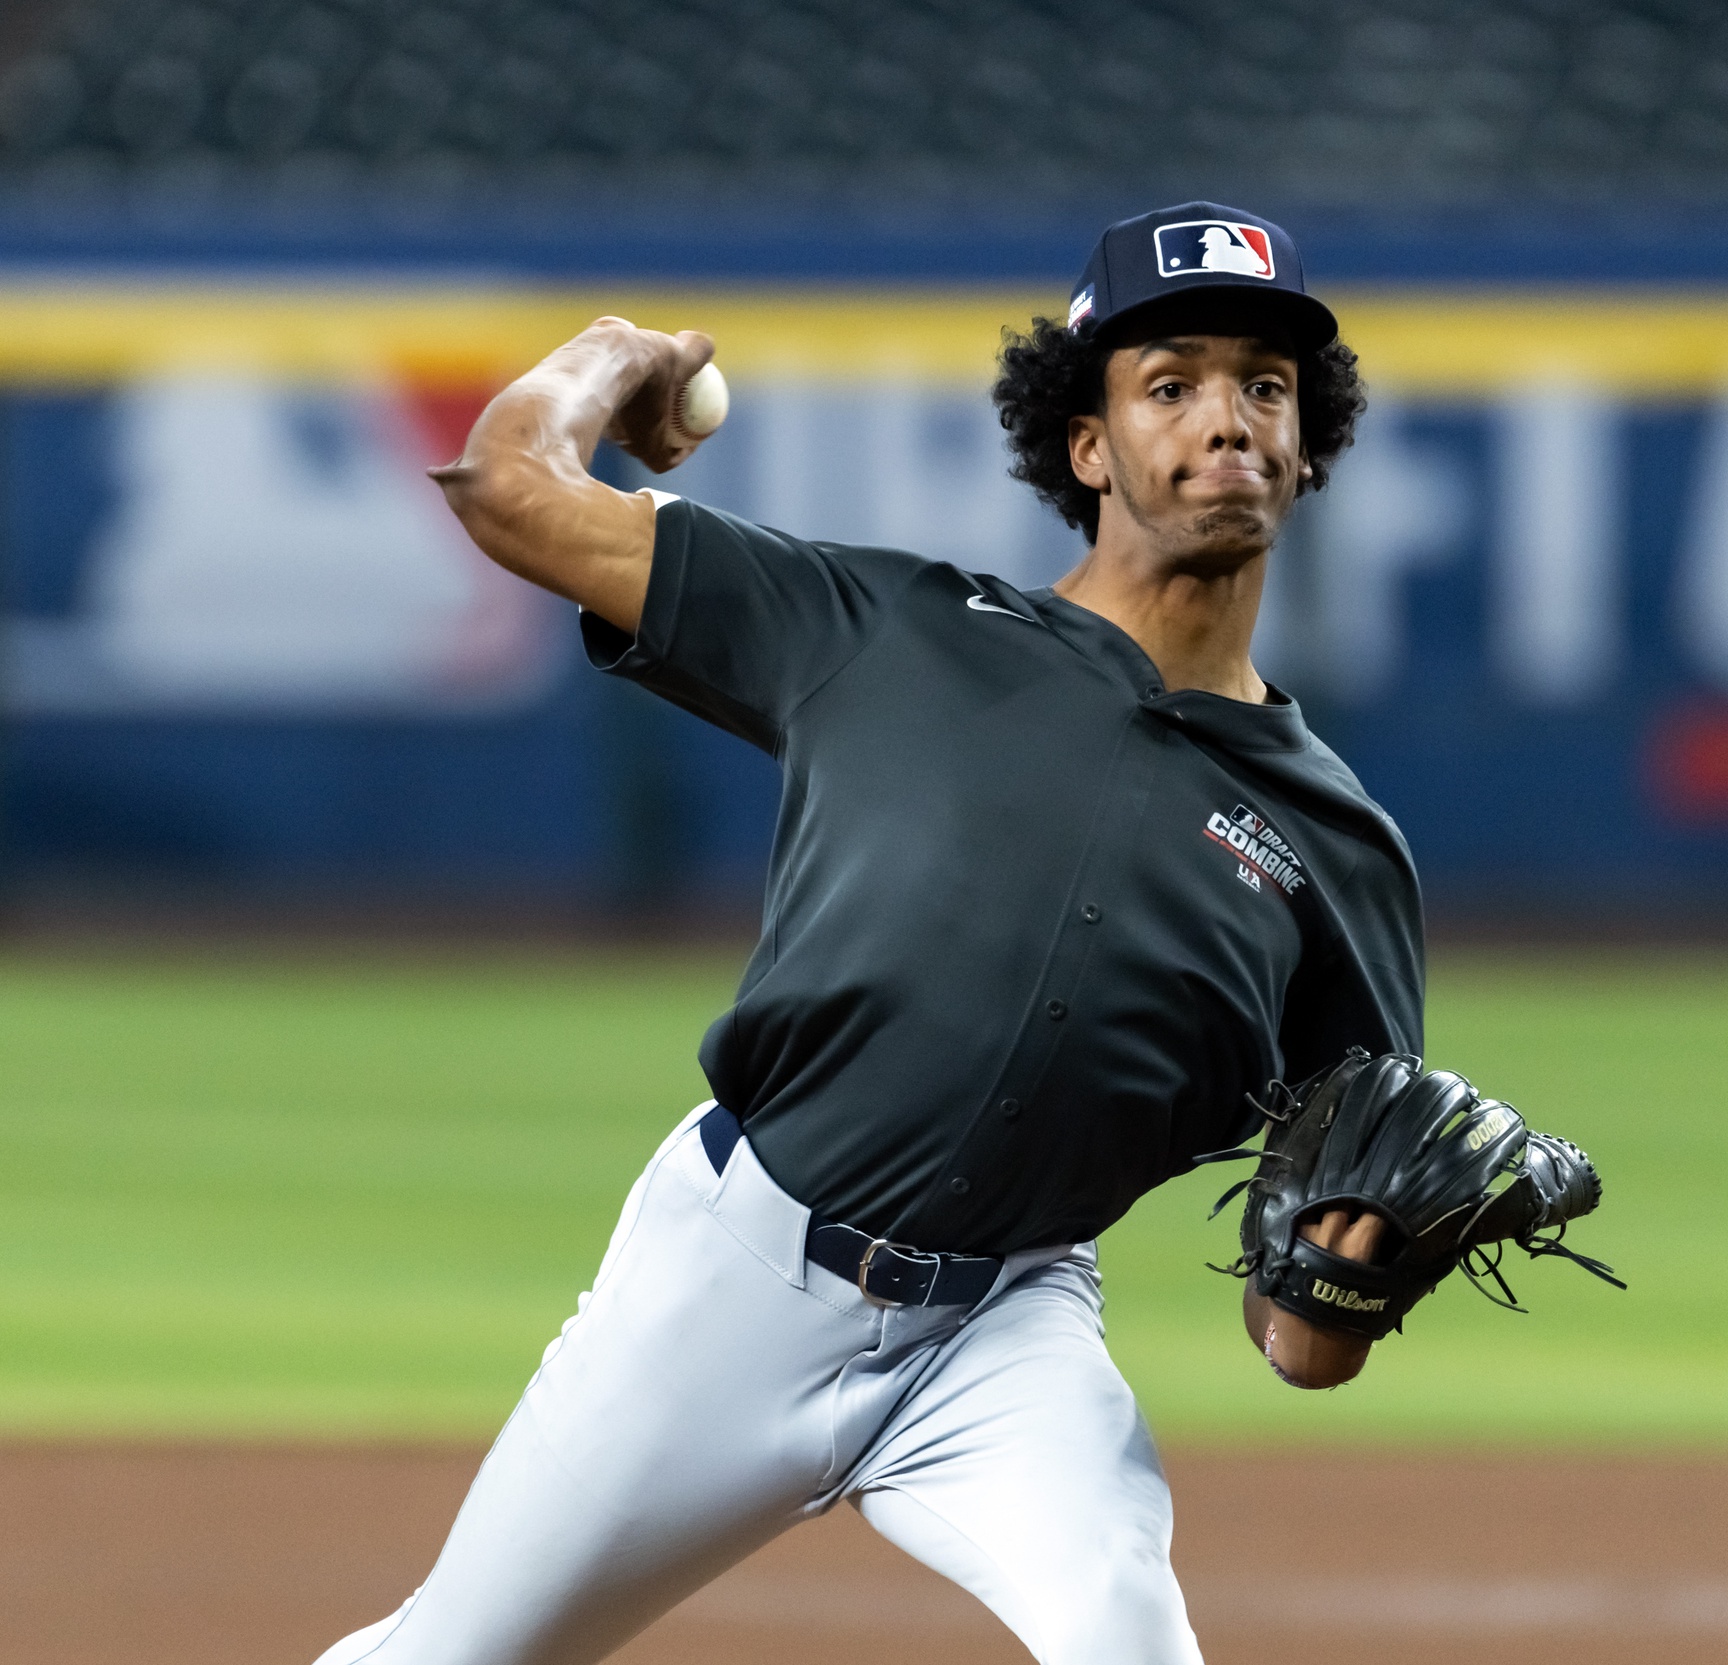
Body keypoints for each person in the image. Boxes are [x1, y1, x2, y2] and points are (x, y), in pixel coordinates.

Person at [314, 201, 1419, 1665]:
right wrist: (610, 351)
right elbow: (506, 488)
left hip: (1005, 1330)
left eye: (1265, 387)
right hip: (735, 1277)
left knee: (1126, 1632)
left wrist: (1351, 1276)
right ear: (1087, 447)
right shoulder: (886, 630)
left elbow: (1303, 1337)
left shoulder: (1339, 848)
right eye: (1173, 383)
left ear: (1307, 440)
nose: (1228, 418)